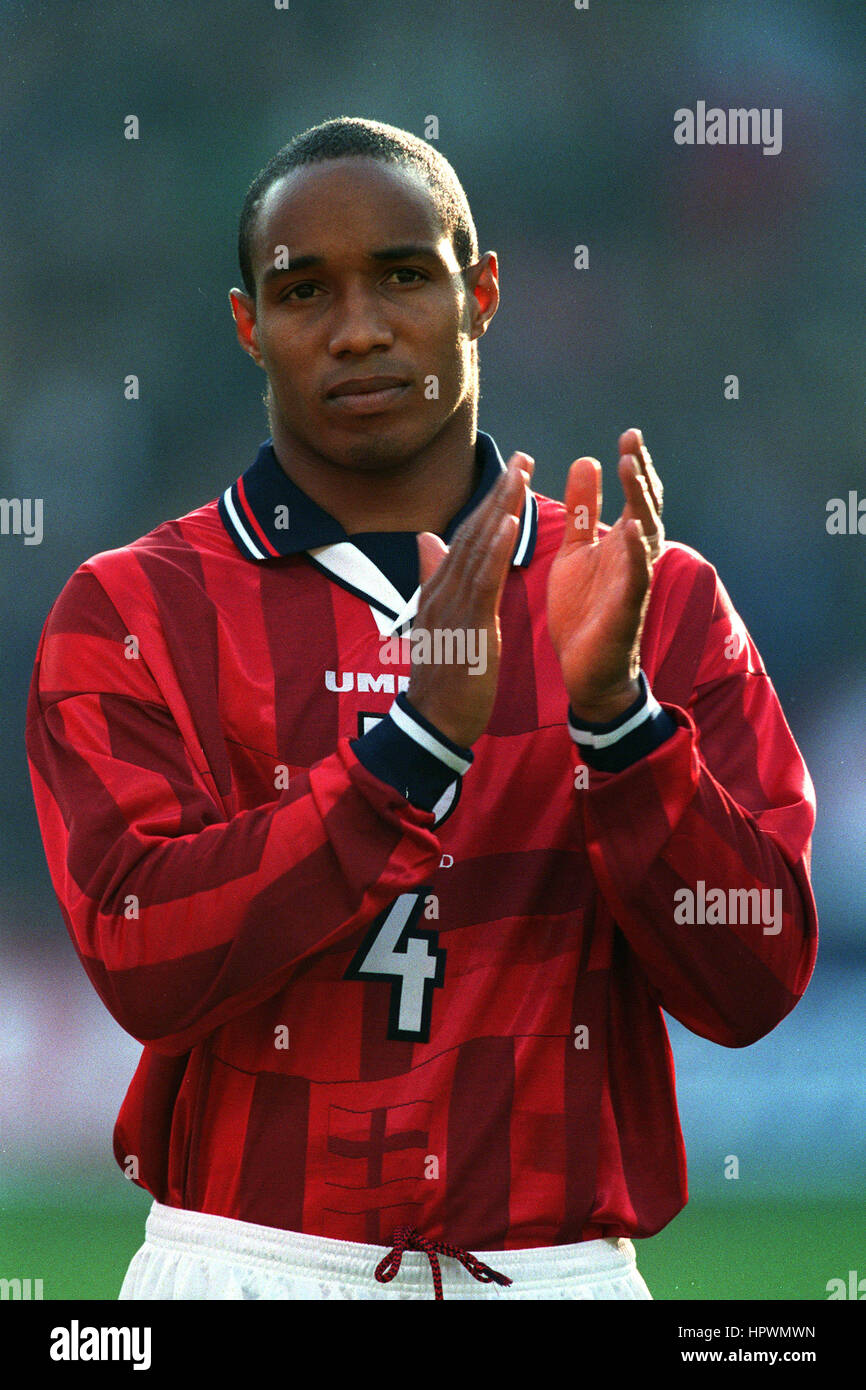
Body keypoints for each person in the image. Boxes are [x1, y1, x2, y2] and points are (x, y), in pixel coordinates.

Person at [25, 116, 818, 1301]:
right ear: (249, 326)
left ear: (480, 291)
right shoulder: (134, 609)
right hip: (249, 1264)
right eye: (303, 291)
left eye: (403, 274)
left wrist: (619, 725)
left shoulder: (649, 596)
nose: (358, 328)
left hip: (556, 1273)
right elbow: (143, 957)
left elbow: (754, 976)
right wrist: (409, 755)